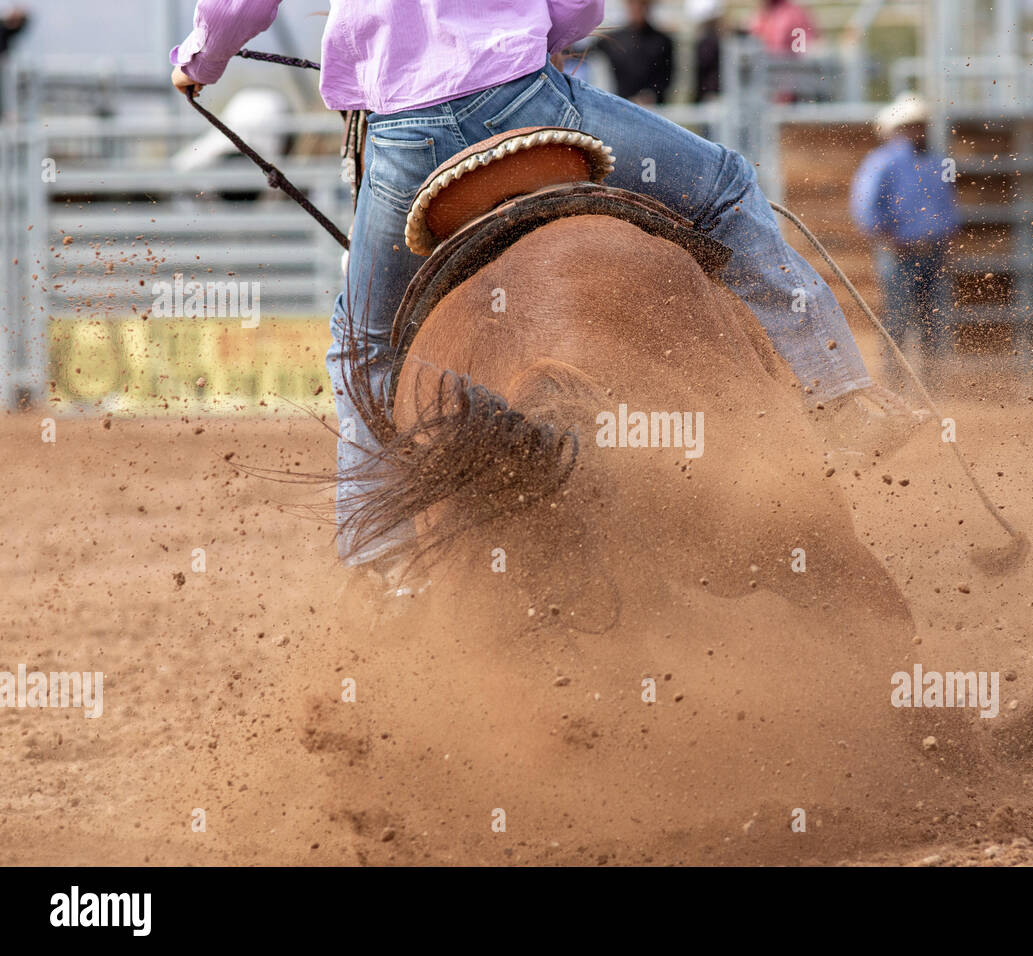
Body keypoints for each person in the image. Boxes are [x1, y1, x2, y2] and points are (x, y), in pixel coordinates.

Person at [170, 0, 880, 587]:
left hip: (402, 135)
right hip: (526, 97)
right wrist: (554, 32)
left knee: (364, 347)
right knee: (725, 186)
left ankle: (380, 558)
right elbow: (576, 9)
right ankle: (839, 391)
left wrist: (201, 58)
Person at [849, 91, 959, 384]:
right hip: (899, 252)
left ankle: (933, 385)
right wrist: (888, 238)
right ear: (897, 129)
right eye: (911, 125)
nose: (918, 131)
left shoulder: (937, 162)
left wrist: (947, 237)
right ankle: (895, 385)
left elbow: (948, 205)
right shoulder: (882, 162)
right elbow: (866, 209)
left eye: (921, 125)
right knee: (898, 321)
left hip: (934, 252)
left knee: (933, 322)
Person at [594, 0, 673, 105]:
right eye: (633, 4)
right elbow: (587, 56)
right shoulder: (612, 40)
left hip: (652, 108)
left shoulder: (662, 41)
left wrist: (650, 95)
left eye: (642, 4)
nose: (637, 8)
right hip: (618, 105)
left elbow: (666, 77)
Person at [749, 0, 814, 57]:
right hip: (768, 65)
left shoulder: (794, 14)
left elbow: (805, 49)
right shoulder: (761, 15)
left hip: (789, 65)